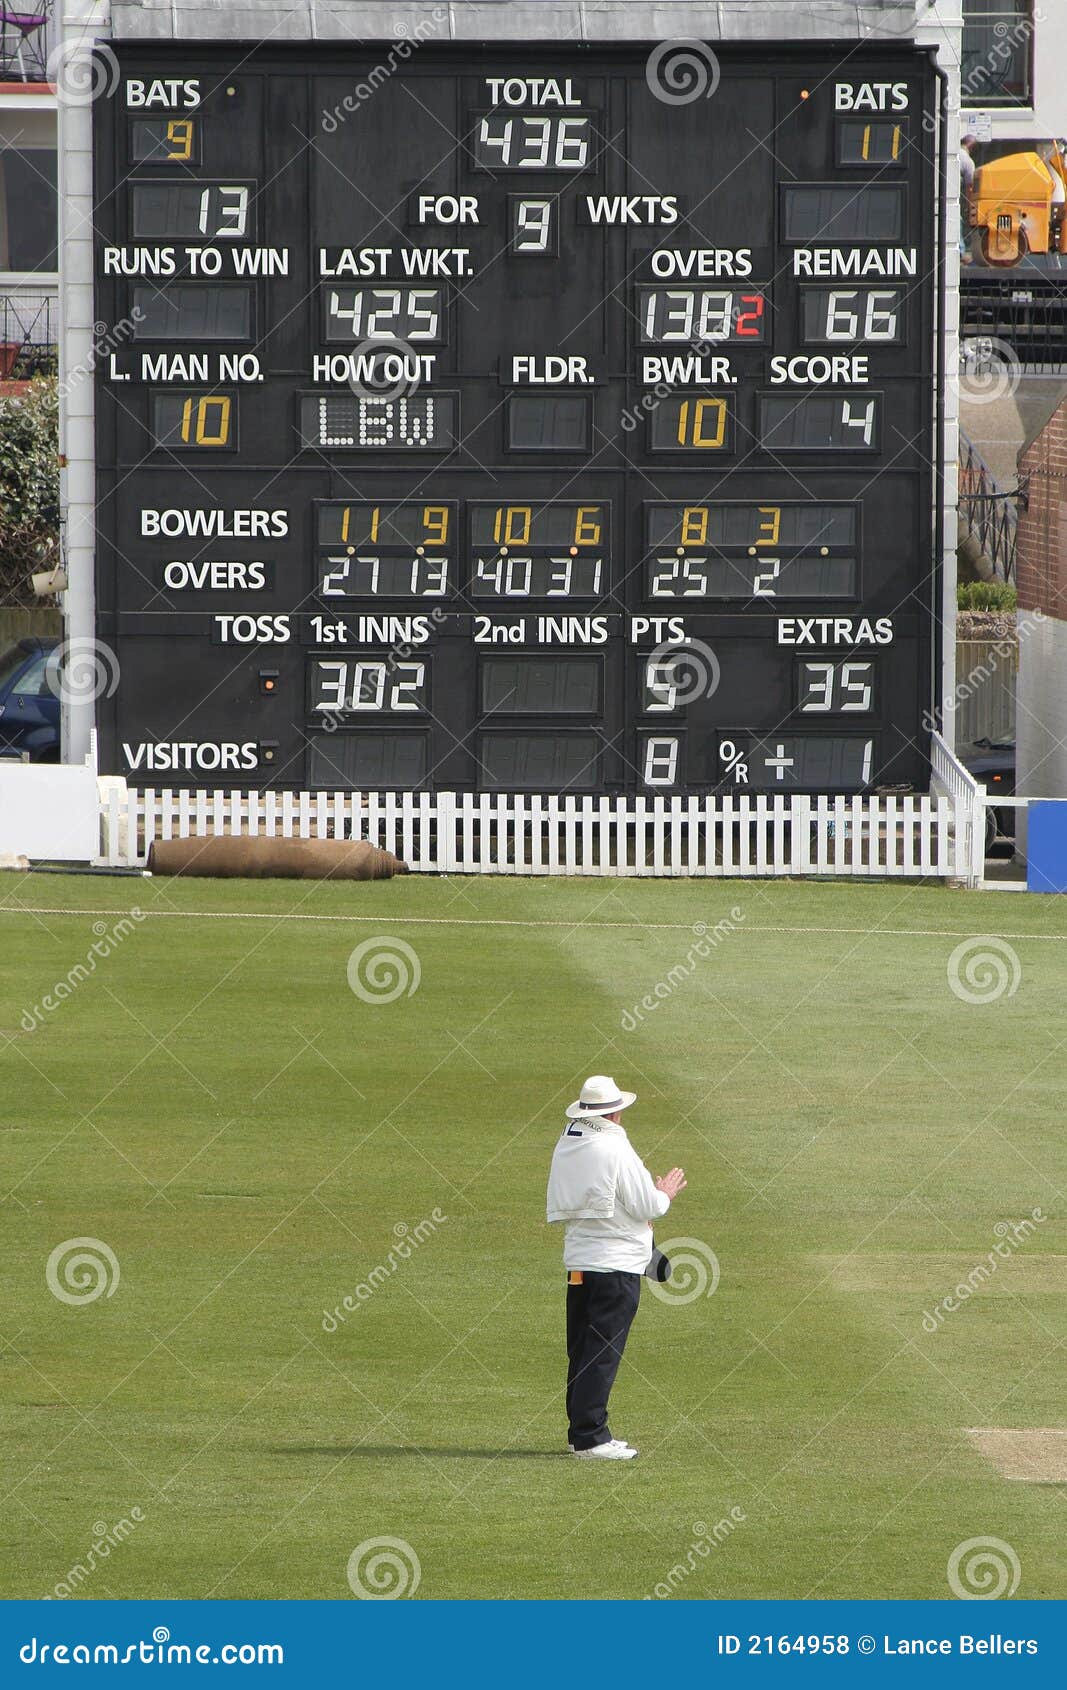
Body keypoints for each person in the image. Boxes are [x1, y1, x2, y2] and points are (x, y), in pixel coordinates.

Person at [546, 1075, 687, 1460]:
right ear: (616, 1112)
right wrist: (665, 1194)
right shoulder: (615, 1146)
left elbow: (597, 1202)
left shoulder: (569, 1141)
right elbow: (648, 1206)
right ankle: (592, 1438)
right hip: (615, 1266)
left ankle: (583, 1433)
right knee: (601, 1351)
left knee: (583, 1350)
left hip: (579, 1263)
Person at [959, 132, 978, 264]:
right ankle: (960, 252)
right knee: (956, 221)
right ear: (971, 147)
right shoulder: (967, 161)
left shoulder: (952, 152)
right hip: (954, 194)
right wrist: (969, 204)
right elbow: (970, 186)